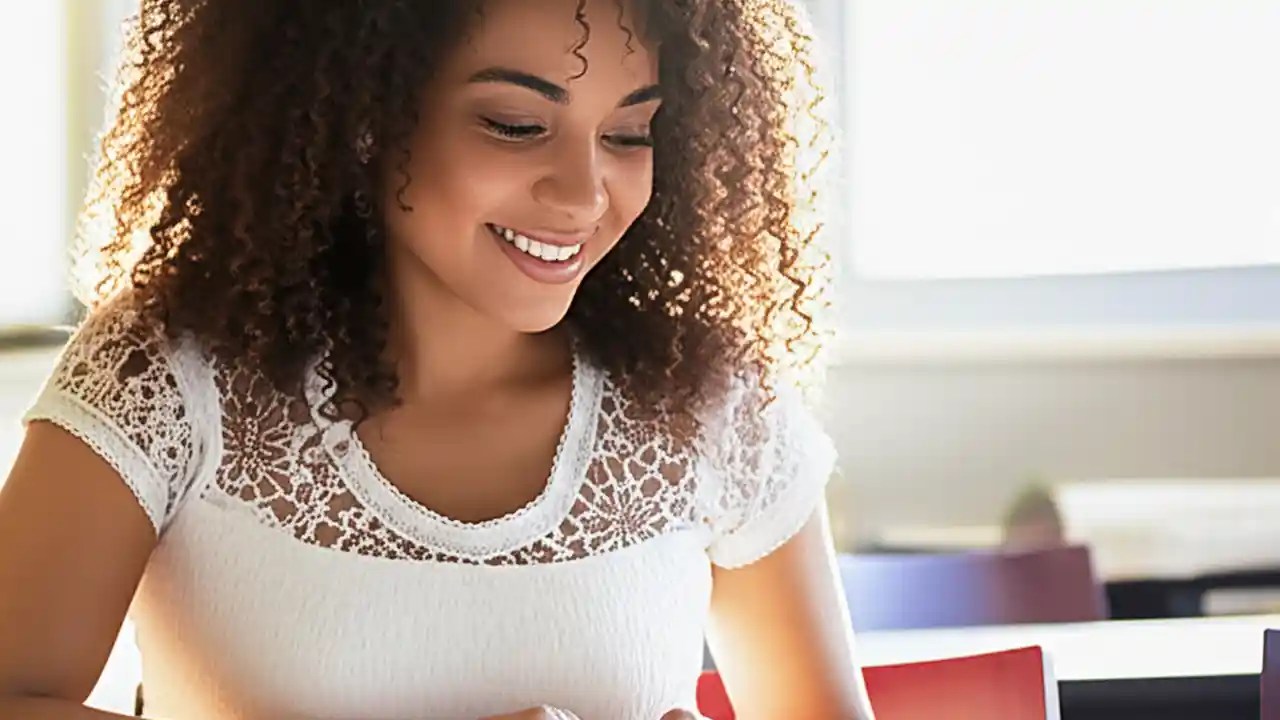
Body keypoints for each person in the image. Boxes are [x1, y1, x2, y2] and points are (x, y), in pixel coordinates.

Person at [0, 0, 873, 718]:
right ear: (361, 114)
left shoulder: (717, 404)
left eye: (629, 134)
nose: (583, 195)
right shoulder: (166, 373)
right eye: (517, 125)